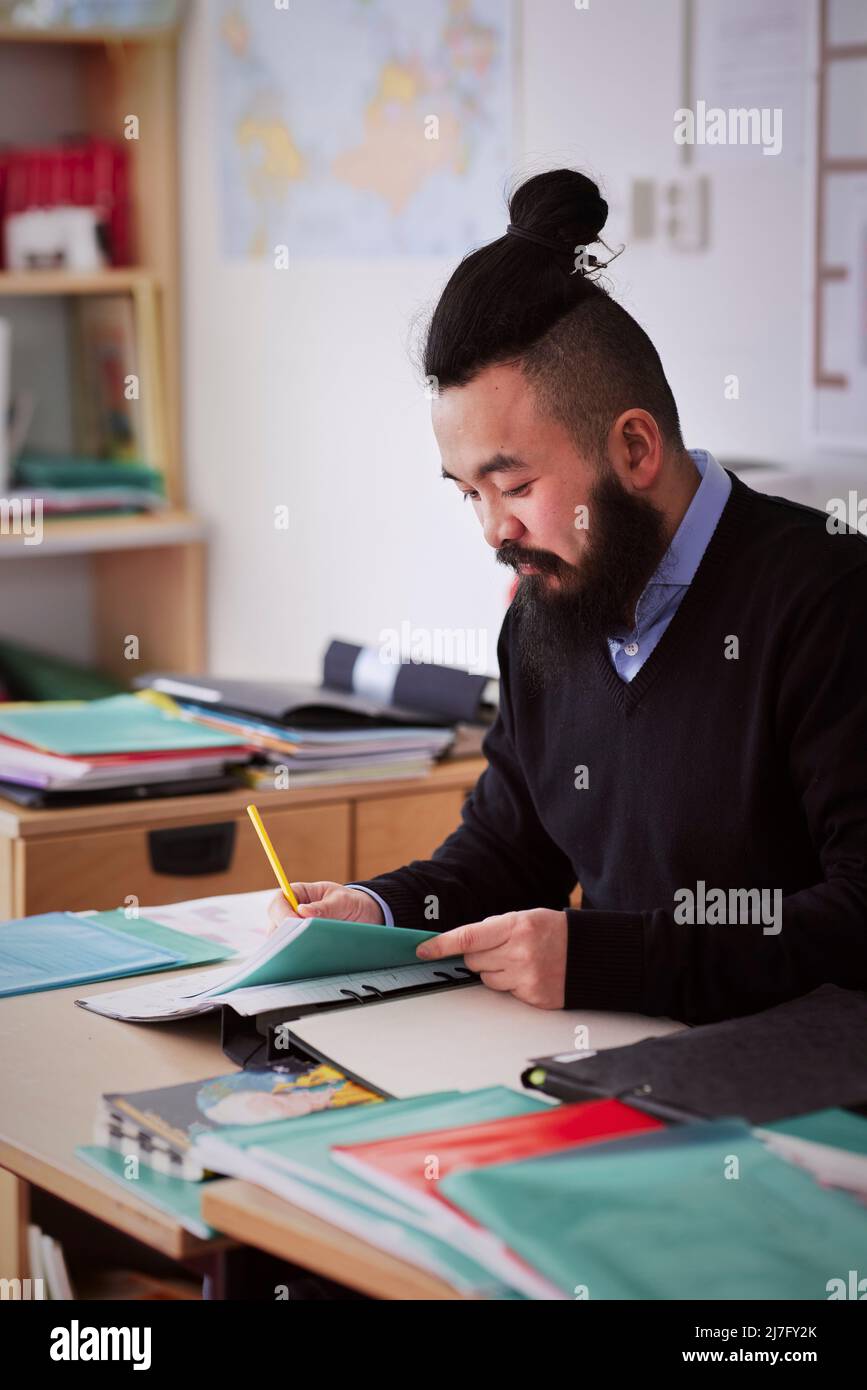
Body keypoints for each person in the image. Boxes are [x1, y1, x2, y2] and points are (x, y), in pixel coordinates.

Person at [270, 167, 867, 1025]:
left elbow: (858, 913)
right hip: (612, 1066)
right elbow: (511, 850)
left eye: (511, 485)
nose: (491, 531)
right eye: (466, 492)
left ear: (633, 450)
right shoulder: (547, 614)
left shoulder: (828, 596)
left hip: (802, 1100)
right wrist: (376, 912)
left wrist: (605, 959)